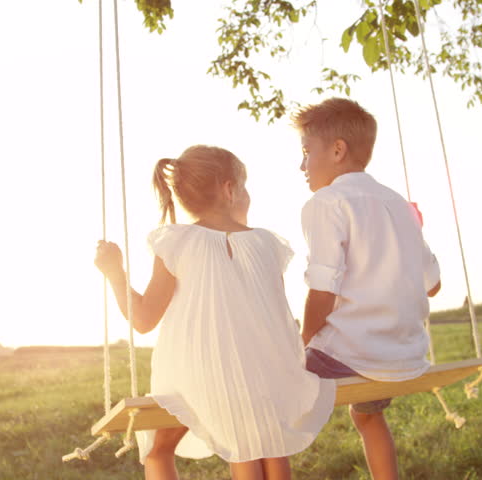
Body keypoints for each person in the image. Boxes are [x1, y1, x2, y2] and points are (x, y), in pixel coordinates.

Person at [95, 145, 335, 480]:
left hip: (199, 377)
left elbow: (144, 319)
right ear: (229, 189)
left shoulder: (176, 242)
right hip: (273, 373)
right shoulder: (268, 244)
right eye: (245, 187)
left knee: (158, 449)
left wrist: (115, 273)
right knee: (267, 437)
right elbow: (276, 317)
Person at [293, 98, 442, 480]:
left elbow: (323, 292)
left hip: (350, 357)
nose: (302, 165)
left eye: (307, 153)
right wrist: (415, 230)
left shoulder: (325, 203)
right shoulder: (399, 205)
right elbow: (434, 286)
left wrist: (300, 346)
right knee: (367, 415)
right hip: (404, 357)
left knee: (268, 387)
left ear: (337, 150)